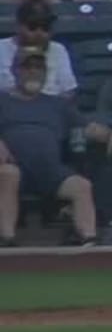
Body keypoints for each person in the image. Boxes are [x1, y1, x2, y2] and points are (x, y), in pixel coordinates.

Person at [0, 49, 101, 247]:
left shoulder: (57, 104)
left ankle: (89, 240)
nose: (33, 72)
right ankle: (7, 238)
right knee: (8, 174)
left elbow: (88, 127)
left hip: (50, 171)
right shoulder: (2, 101)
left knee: (81, 186)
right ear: (14, 71)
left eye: (39, 68)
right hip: (14, 167)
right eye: (27, 67)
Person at [0, 0, 77, 97]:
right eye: (32, 27)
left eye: (45, 28)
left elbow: (68, 91)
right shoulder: (1, 48)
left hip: (50, 104)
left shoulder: (58, 50)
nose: (39, 33)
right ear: (18, 26)